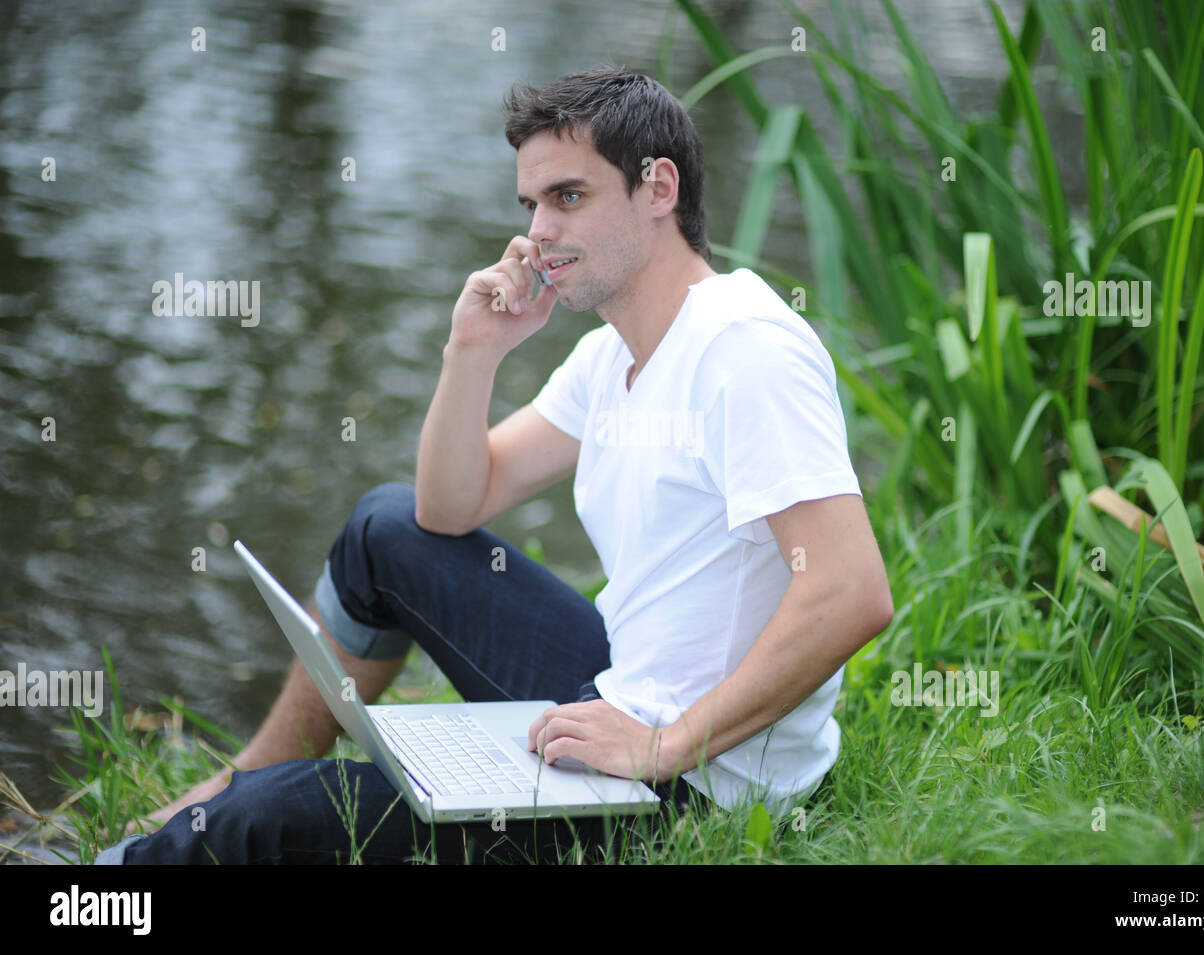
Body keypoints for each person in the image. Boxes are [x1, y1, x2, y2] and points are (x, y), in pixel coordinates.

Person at [97, 64, 893, 865]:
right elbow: (446, 510)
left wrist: (666, 746)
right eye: (532, 204)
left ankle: (89, 890)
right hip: (622, 684)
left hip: (695, 787)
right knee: (384, 525)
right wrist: (472, 352)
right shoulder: (610, 354)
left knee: (268, 820)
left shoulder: (743, 347)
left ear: (658, 189)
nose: (538, 230)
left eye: (568, 197)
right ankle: (243, 770)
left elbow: (850, 590)